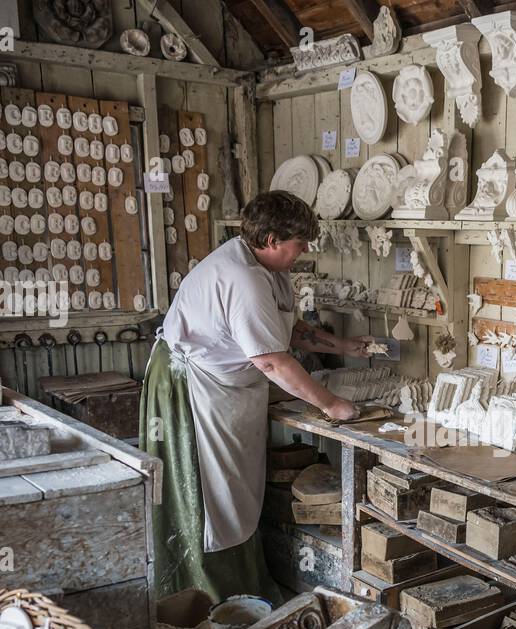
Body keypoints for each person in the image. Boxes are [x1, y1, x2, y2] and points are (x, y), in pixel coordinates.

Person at [139, 191, 373, 603]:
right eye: (299, 243)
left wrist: (345, 346)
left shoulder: (262, 265)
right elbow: (272, 361)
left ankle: (242, 587)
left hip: (221, 386)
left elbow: (289, 327)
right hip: (189, 388)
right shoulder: (242, 278)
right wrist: (333, 406)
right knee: (211, 495)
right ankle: (205, 596)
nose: (305, 250)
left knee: (234, 494)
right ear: (269, 239)